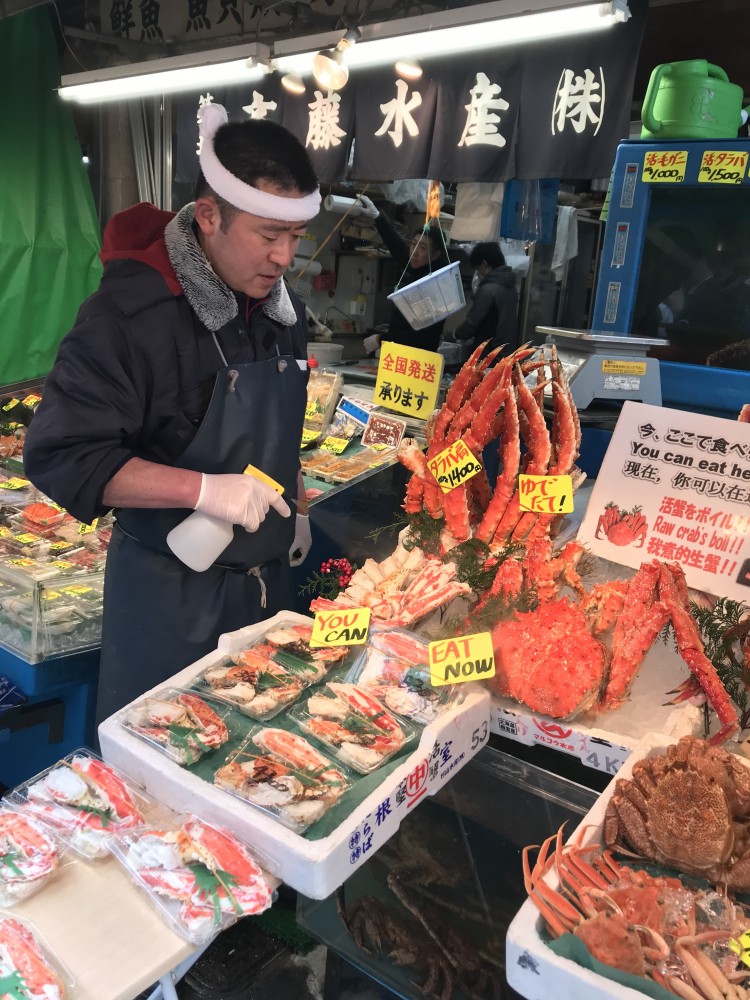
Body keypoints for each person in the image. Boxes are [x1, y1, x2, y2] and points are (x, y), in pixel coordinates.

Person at [24, 103, 320, 723]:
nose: (284, 258)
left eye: (295, 237)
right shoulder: (127, 319)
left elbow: (271, 431)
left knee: (267, 776)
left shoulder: (277, 313)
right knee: (167, 784)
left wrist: (293, 496)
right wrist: (203, 489)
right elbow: (61, 454)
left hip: (266, 593)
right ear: (209, 217)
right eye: (268, 236)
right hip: (169, 601)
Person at [356, 194, 449, 353]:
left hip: (418, 359)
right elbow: (397, 246)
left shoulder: (435, 285)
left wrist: (381, 339)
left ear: (436, 254)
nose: (414, 252)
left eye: (423, 248)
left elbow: (414, 335)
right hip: (400, 355)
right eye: (414, 244)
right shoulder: (418, 266)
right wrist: (377, 217)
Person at [452, 242, 519, 358]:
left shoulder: (488, 289)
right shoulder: (511, 287)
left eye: (478, 269)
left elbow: (472, 322)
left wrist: (457, 334)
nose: (478, 273)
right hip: (506, 352)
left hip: (489, 353)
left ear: (484, 264)